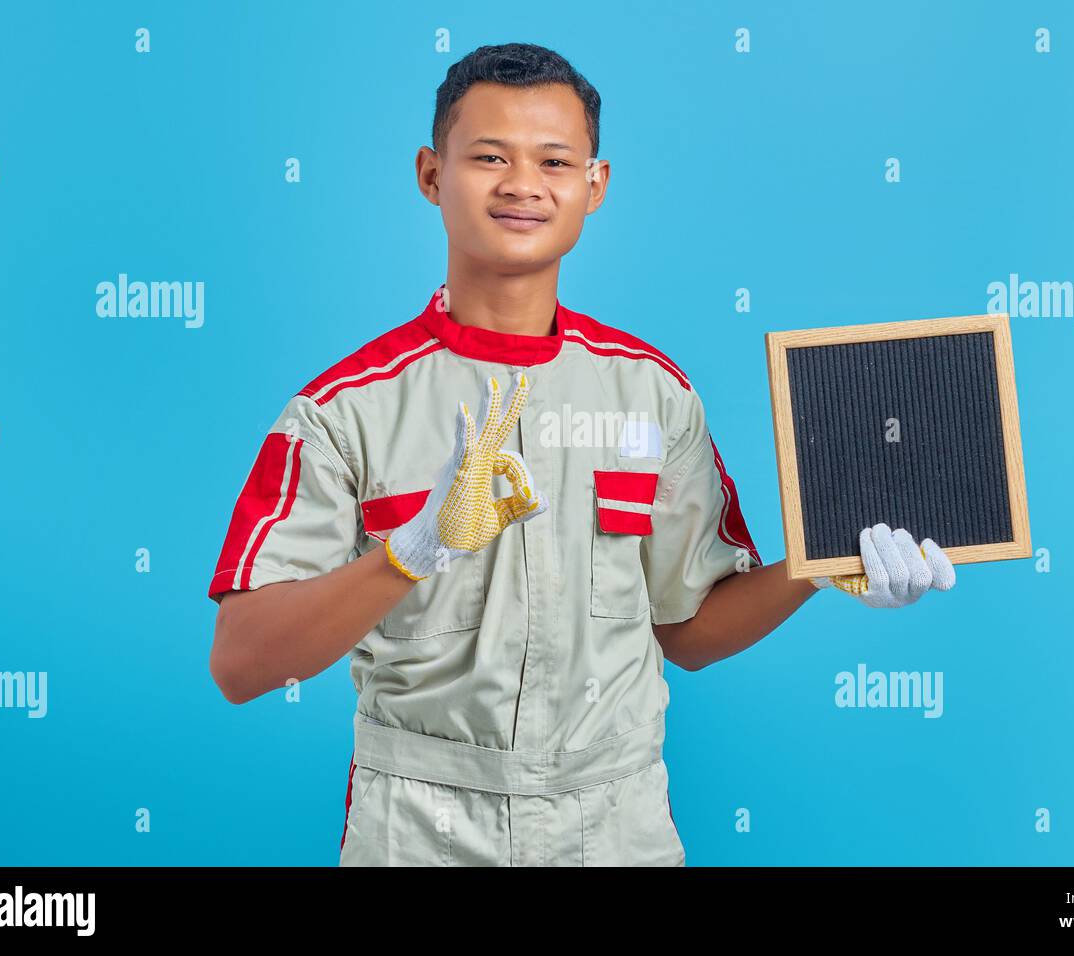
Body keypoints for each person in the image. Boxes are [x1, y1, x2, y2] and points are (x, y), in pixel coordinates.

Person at [206, 42, 956, 867]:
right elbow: (242, 664)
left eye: (554, 160)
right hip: (419, 832)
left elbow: (690, 631)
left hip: (616, 827)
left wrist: (818, 567)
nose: (523, 184)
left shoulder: (653, 394)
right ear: (430, 173)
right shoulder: (343, 411)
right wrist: (410, 553)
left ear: (593, 186)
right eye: (488, 156)